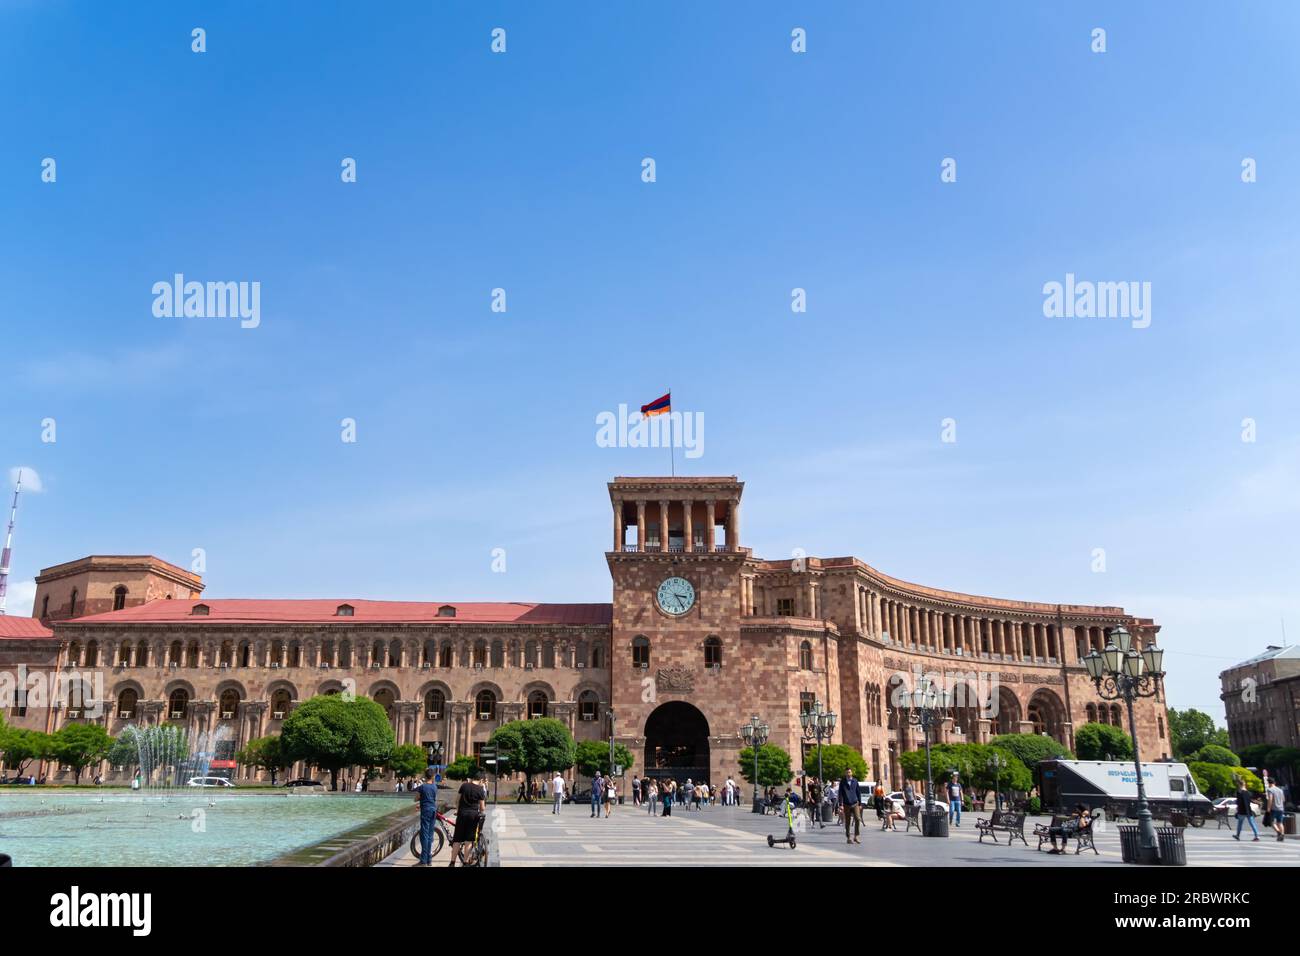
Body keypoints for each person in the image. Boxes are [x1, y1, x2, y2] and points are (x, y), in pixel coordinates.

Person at [449, 769, 487, 866]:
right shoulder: (480, 789)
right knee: (468, 840)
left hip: (461, 814)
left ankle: (452, 862)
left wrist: (458, 810)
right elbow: (482, 808)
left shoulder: (464, 785)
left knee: (457, 840)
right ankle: (465, 862)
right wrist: (482, 810)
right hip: (473, 816)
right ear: (481, 780)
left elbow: (457, 800)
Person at [412, 767, 439, 865]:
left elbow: (416, 798)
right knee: (430, 835)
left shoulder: (422, 787)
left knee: (424, 835)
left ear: (425, 776)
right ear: (432, 776)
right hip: (433, 810)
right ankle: (429, 860)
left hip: (426, 812)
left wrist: (420, 802)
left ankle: (423, 861)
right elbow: (432, 799)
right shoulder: (435, 787)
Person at [838, 768, 862, 845]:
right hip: (846, 804)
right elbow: (840, 793)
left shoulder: (855, 781)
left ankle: (856, 836)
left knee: (858, 818)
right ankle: (848, 837)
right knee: (847, 821)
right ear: (845, 774)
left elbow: (858, 792)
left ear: (851, 773)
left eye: (849, 772)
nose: (848, 774)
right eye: (847, 772)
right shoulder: (843, 782)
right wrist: (840, 804)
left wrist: (860, 803)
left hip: (855, 803)